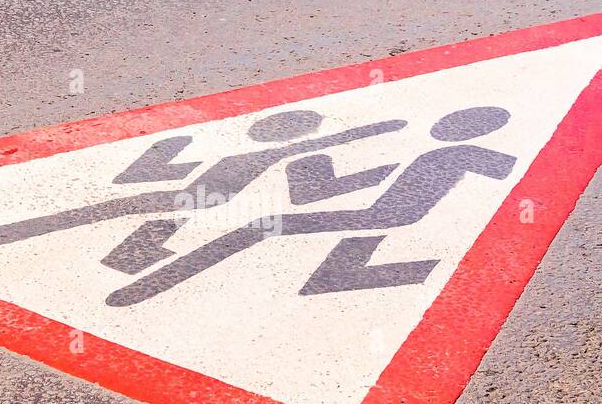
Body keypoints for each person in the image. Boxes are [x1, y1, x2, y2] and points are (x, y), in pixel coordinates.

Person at [104, 106, 517, 306]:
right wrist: (357, 175)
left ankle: (141, 284)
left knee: (263, 224)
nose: (444, 127)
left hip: (389, 215)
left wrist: (363, 171)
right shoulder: (444, 154)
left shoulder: (459, 155)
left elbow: (506, 170)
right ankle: (137, 270)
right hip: (379, 211)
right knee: (259, 222)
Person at [0, 108, 405, 253]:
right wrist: (373, 159)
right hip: (209, 196)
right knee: (150, 212)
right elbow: (311, 180)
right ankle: (8, 234)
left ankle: (9, 234)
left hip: (202, 194)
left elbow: (313, 172)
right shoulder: (283, 150)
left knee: (129, 209)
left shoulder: (262, 149)